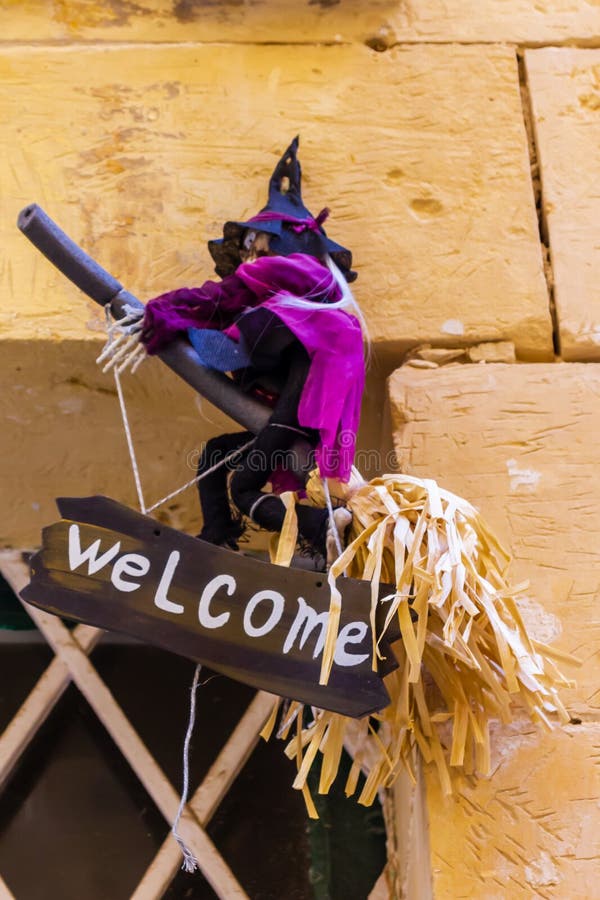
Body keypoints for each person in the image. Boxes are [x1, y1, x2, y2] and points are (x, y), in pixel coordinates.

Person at [139, 137, 366, 561]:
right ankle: (218, 532)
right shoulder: (305, 306)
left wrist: (169, 312)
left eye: (254, 245)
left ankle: (320, 530)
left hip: (295, 416)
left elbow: (222, 302)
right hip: (291, 414)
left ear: (277, 243)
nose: (249, 258)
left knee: (244, 487)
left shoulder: (295, 282)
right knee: (213, 456)